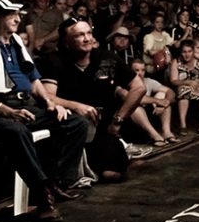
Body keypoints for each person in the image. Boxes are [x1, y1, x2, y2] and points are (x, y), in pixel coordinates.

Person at [0, 0, 89, 222]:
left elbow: (33, 79)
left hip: (26, 106)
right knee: (17, 131)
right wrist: (6, 111)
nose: (18, 19)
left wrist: (51, 104)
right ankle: (43, 196)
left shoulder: (15, 45)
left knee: (76, 123)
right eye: (12, 15)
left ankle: (56, 182)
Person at [39, 17, 148, 182]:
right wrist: (76, 106)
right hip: (70, 130)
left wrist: (118, 119)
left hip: (103, 129)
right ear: (67, 41)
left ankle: (121, 154)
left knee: (112, 175)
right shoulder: (54, 60)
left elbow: (139, 88)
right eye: (80, 35)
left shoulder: (107, 58)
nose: (87, 38)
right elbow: (48, 96)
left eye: (89, 33)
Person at [170, 39, 199, 135]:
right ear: (181, 52)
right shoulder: (176, 61)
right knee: (183, 91)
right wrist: (187, 82)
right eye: (184, 52)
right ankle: (182, 125)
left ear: (193, 52)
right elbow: (173, 80)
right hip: (183, 86)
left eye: (189, 51)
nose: (187, 54)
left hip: (198, 86)